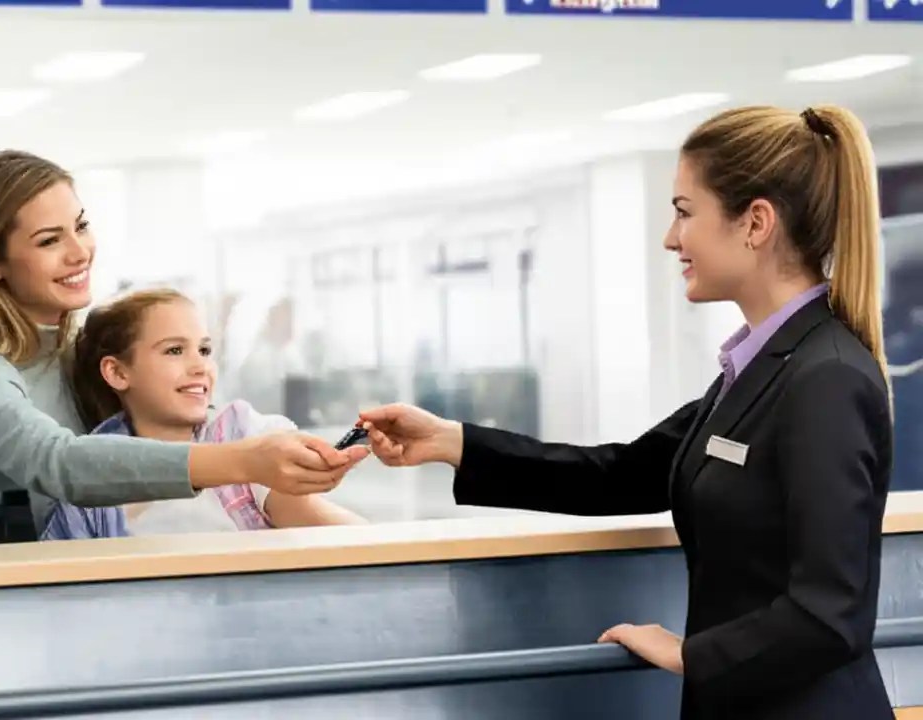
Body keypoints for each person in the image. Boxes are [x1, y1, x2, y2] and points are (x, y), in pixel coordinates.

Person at [358, 105, 894, 720]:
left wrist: (693, 654)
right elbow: (620, 473)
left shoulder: (824, 376)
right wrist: (451, 441)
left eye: (684, 212)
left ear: (756, 223)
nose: (671, 238)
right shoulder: (759, 372)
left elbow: (832, 614)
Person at [0, 150, 365, 535]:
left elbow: (188, 420)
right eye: (50, 240)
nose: (79, 252)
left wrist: (277, 451)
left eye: (80, 226)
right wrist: (243, 459)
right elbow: (63, 464)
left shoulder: (78, 352)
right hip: (23, 609)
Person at [41, 288, 364, 538]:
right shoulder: (91, 481)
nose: (200, 367)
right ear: (117, 373)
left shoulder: (242, 435)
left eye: (205, 350)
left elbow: (314, 518)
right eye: (175, 350)